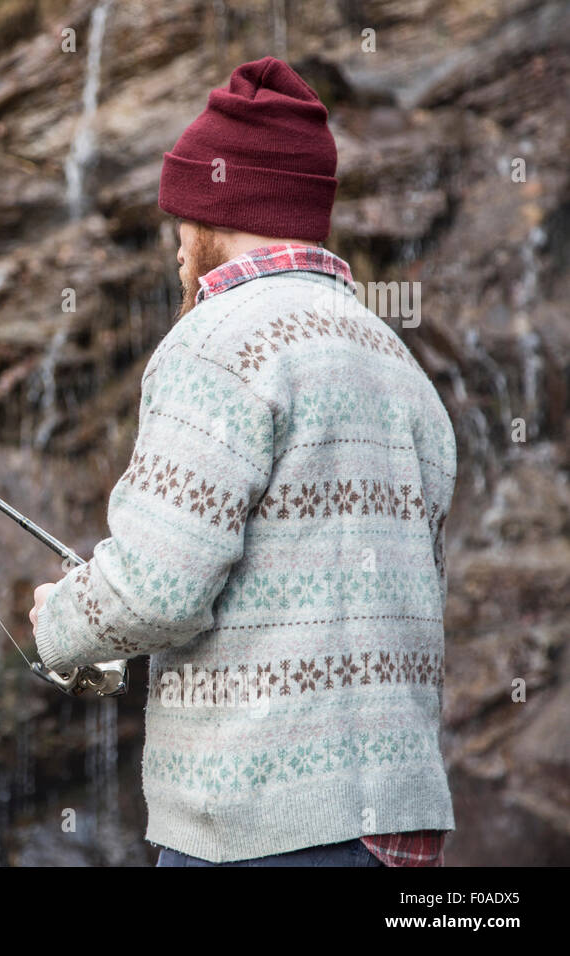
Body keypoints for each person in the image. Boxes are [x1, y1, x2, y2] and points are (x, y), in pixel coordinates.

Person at [29, 56, 455, 867]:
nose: (177, 251)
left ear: (213, 212)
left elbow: (158, 590)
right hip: (397, 827)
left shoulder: (218, 342)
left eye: (180, 223)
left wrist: (62, 618)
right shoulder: (399, 364)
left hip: (265, 827)